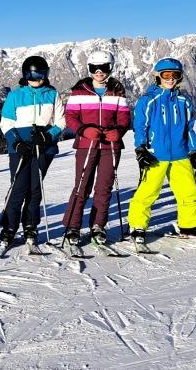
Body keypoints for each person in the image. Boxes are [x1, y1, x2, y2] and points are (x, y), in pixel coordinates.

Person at [127, 57, 196, 244]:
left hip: (181, 154)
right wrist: (141, 148)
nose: (171, 79)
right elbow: (140, 127)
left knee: (189, 192)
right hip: (155, 155)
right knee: (148, 192)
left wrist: (194, 150)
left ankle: (189, 225)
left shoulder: (183, 101)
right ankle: (137, 225)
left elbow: (189, 128)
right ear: (158, 76)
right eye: (166, 75)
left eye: (175, 75)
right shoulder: (148, 100)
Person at [60, 50, 131, 247]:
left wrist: (119, 131)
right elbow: (70, 117)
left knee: (104, 187)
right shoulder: (79, 91)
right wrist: (83, 130)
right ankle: (73, 226)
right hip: (87, 144)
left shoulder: (117, 90)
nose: (99, 72)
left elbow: (124, 117)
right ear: (89, 69)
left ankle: (98, 225)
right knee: (82, 185)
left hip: (110, 145)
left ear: (110, 68)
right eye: (94, 68)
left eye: (104, 68)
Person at [0, 55, 66, 247]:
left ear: (46, 74)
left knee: (35, 189)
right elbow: (6, 122)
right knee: (18, 188)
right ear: (25, 75)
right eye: (31, 75)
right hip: (20, 149)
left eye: (40, 75)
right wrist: (16, 143)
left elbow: (61, 121)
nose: (36, 79)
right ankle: (9, 227)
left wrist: (47, 136)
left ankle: (30, 225)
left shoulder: (53, 94)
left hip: (44, 148)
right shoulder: (15, 95)